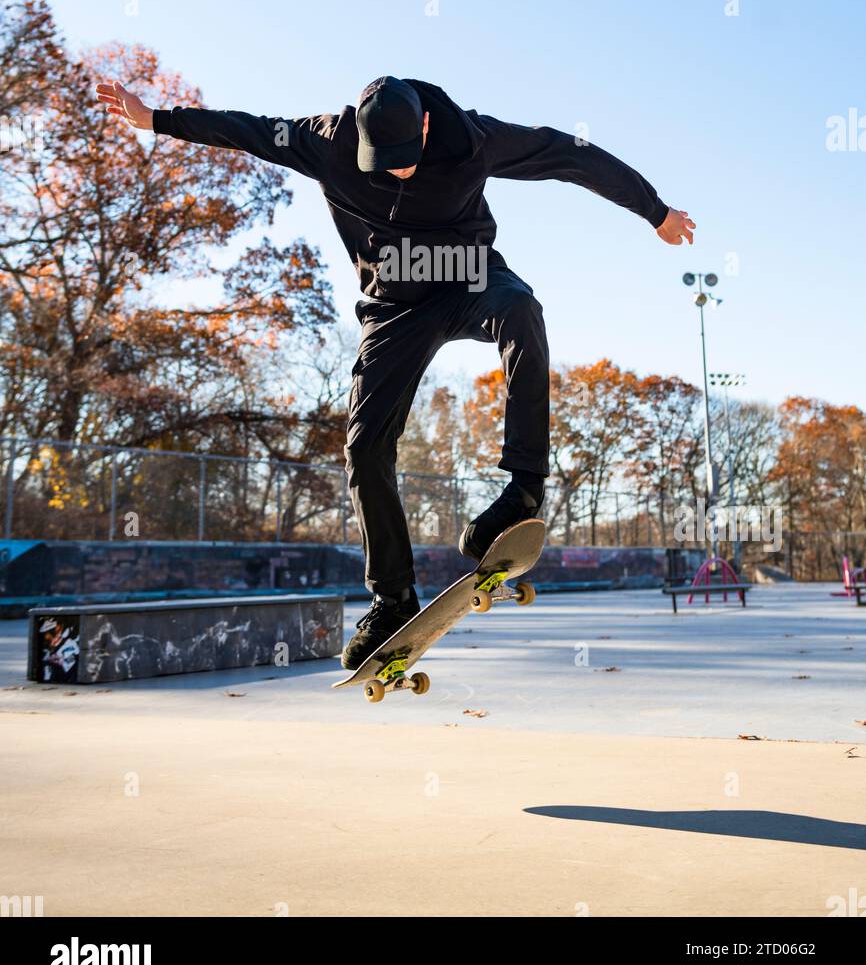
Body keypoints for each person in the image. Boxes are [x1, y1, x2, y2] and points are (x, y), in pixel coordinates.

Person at [97, 73, 694, 667]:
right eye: (385, 164)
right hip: (393, 308)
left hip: (468, 276)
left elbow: (567, 154)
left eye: (407, 161)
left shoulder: (472, 138)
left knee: (522, 312)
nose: (400, 173)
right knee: (364, 449)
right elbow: (246, 131)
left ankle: (523, 492)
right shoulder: (324, 142)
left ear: (427, 126)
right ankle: (392, 597)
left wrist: (654, 210)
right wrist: (156, 120)